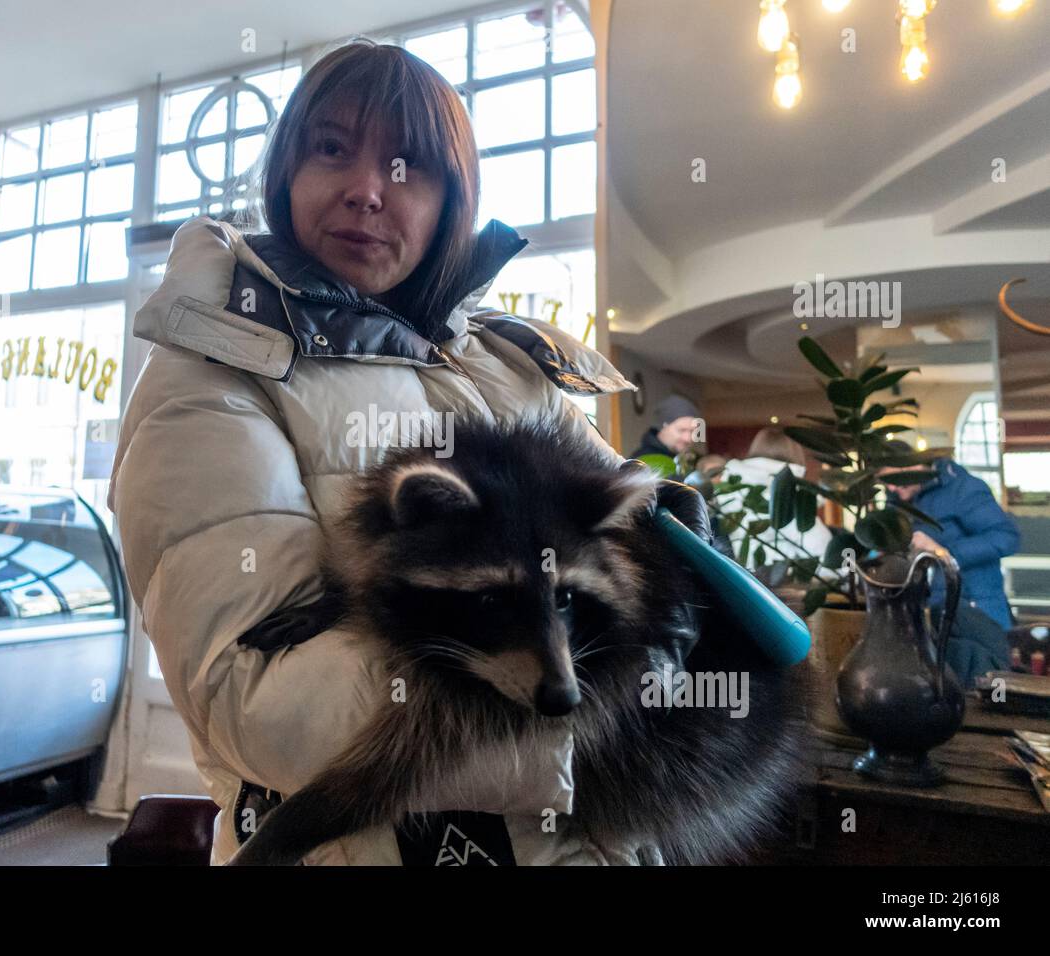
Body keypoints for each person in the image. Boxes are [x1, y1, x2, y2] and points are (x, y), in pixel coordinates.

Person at [107, 41, 711, 866]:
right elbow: (258, 699)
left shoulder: (509, 368)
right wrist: (594, 713)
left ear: (450, 199)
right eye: (331, 149)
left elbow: (631, 570)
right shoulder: (214, 367)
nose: (366, 190)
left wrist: (678, 561)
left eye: (407, 166)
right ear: (286, 171)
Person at [884, 443, 1021, 631]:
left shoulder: (962, 488)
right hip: (930, 612)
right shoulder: (897, 499)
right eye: (885, 482)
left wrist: (942, 552)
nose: (891, 487)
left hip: (976, 612)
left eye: (896, 479)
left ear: (913, 467)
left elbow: (1006, 537)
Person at [717, 427, 833, 566]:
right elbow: (825, 555)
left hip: (737, 578)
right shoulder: (788, 495)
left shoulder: (731, 488)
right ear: (796, 454)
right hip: (780, 580)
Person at [629, 394, 701, 462]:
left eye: (692, 431)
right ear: (663, 426)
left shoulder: (686, 461)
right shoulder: (644, 463)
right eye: (682, 430)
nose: (688, 439)